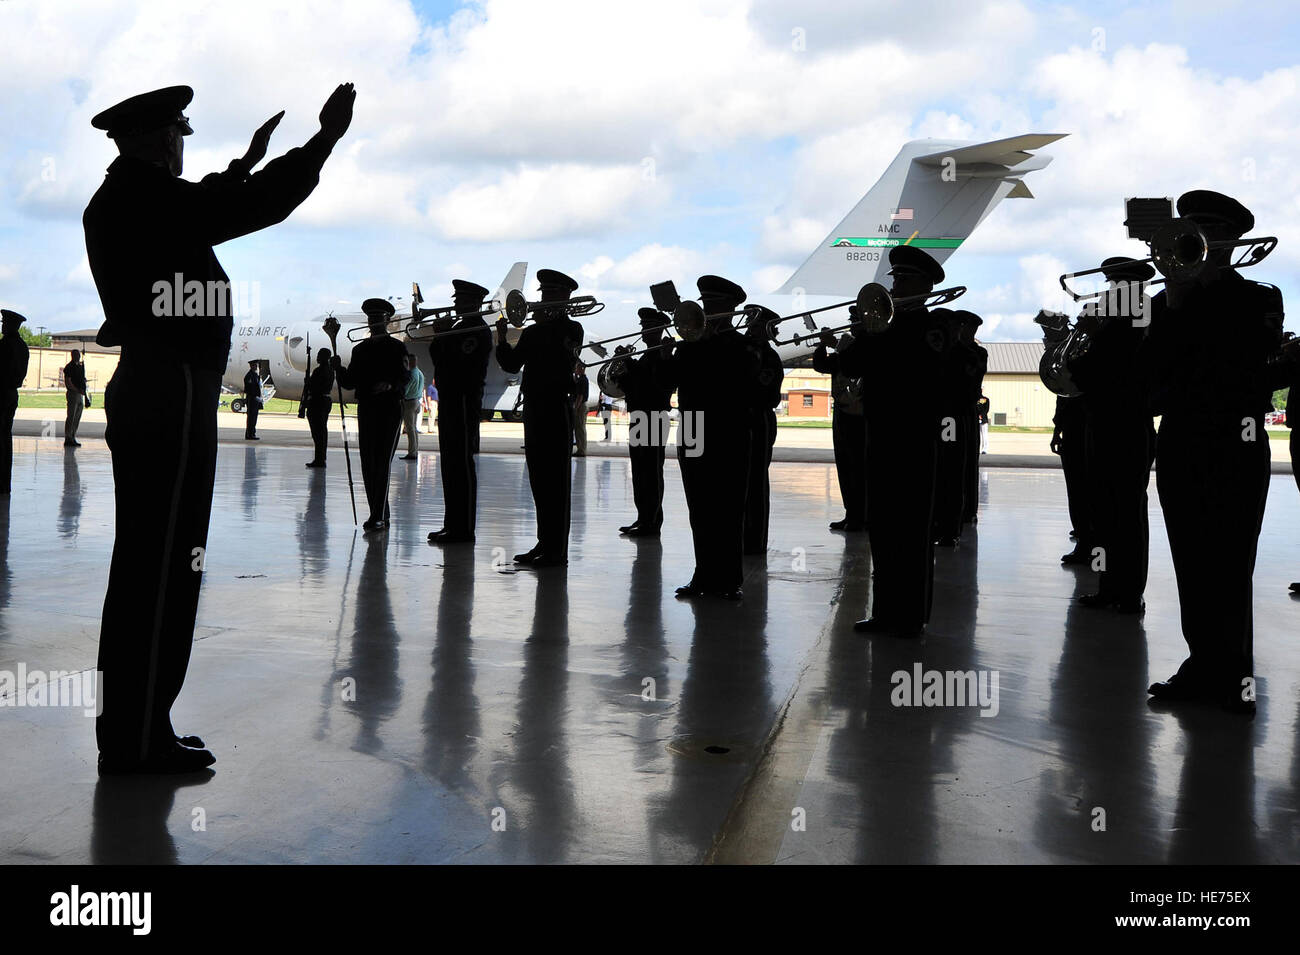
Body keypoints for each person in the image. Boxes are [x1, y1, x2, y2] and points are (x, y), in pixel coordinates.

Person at [84, 81, 355, 773]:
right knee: (165, 564)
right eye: (180, 132)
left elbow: (204, 206)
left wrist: (243, 161)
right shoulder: (145, 198)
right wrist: (323, 141)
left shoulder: (127, 197)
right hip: (172, 386)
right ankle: (139, 738)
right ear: (155, 137)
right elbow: (242, 207)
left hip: (160, 383)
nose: (183, 143)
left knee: (151, 561)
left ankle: (138, 725)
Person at [1141, 190, 1282, 715]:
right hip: (1180, 441)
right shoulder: (1164, 302)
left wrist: (1191, 299)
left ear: (1230, 240)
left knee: (1229, 564)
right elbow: (1151, 383)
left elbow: (1245, 368)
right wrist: (1175, 303)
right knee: (1191, 563)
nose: (1192, 238)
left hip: (1235, 442)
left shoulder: (1256, 298)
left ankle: (1233, 681)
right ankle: (1203, 666)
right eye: (1188, 228)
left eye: (1205, 229)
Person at [840, 245, 950, 637]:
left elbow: (925, 371)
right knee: (884, 528)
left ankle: (911, 615)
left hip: (913, 440)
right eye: (895, 278)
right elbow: (850, 363)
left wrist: (877, 334)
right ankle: (887, 611)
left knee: (912, 530)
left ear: (924, 284)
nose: (895, 284)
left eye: (903, 278)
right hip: (882, 436)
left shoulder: (933, 325)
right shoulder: (885, 328)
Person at [659, 275, 758, 599]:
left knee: (728, 509)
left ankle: (729, 581)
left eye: (714, 305)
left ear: (730, 308)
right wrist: (669, 353)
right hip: (692, 428)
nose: (708, 310)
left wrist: (705, 343)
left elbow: (743, 387)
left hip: (728, 432)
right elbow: (668, 382)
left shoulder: (740, 346)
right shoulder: (690, 346)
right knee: (699, 508)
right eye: (706, 305)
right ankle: (703, 576)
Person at [1068, 257, 1156, 613]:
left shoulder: (1130, 322)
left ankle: (1124, 590)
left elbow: (1091, 370)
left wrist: (1089, 334)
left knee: (1121, 512)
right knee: (1109, 512)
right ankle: (1113, 586)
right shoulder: (1124, 321)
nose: (1109, 291)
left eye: (1115, 285)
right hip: (1110, 423)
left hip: (1121, 424)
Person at [495, 269, 584, 565]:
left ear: (563, 298)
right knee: (539, 480)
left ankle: (556, 550)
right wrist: (502, 340)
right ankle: (544, 543)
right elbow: (510, 364)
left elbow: (555, 355)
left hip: (556, 407)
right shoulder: (537, 331)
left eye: (549, 295)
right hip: (535, 407)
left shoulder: (570, 330)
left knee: (555, 482)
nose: (542, 299)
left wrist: (509, 339)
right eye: (543, 294)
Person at [333, 299, 409, 531]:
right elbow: (349, 383)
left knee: (382, 462)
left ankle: (378, 514)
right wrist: (338, 368)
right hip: (367, 408)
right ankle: (379, 512)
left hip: (389, 409)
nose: (374, 322)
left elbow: (405, 377)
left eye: (379, 318)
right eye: (372, 319)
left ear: (387, 321)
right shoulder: (360, 350)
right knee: (368, 463)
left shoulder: (397, 348)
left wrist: (389, 385)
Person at [427, 279, 493, 544]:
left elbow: (454, 363)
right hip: (453, 401)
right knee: (450, 465)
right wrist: (440, 336)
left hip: (465, 401)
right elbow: (440, 359)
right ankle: (452, 525)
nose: (455, 305)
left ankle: (463, 528)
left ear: (474, 303)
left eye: (460, 301)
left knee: (461, 466)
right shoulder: (460, 328)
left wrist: (442, 335)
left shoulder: (476, 329)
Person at [609, 308, 674, 537]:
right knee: (639, 471)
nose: (643, 332)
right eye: (643, 328)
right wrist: (622, 368)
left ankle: (652, 521)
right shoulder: (647, 356)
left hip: (653, 418)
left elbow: (658, 386)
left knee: (651, 471)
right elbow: (632, 387)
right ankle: (644, 517)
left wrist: (630, 364)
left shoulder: (661, 357)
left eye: (647, 328)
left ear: (658, 330)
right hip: (639, 418)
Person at [814, 331, 866, 531]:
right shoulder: (842, 354)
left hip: (862, 415)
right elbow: (821, 366)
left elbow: (859, 361)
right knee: (845, 467)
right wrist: (821, 346)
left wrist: (835, 343)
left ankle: (862, 516)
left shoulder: (866, 347)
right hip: (844, 412)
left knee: (860, 468)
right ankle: (851, 513)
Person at [742, 305, 783, 555]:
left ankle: (755, 541)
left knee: (756, 482)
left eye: (755, 325)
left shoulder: (768, 357)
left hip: (758, 419)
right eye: (750, 324)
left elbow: (761, 391)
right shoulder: (743, 351)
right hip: (742, 418)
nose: (749, 329)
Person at [0, 310, 30, 494]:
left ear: (11, 325)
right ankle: (5, 483)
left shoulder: (4, 346)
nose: (2, 325)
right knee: (5, 436)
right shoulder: (22, 346)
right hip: (12, 394)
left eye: (4, 322)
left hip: (1, 393)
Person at [304, 347, 333, 468]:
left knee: (317, 433)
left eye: (319, 355)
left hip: (317, 401)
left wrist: (307, 381)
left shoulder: (319, 371)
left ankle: (319, 459)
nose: (317, 357)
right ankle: (321, 457)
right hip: (325, 400)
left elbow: (312, 387)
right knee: (322, 431)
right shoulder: (330, 370)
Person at [399, 353, 424, 460]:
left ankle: (412, 453)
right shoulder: (419, 373)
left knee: (410, 429)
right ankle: (415, 451)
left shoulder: (411, 374)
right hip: (416, 401)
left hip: (409, 402)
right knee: (413, 428)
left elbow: (405, 390)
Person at [63, 349, 90, 448]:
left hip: (79, 394)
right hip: (73, 394)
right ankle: (68, 437)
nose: (78, 357)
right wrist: (77, 390)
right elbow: (68, 382)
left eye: (79, 355)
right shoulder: (69, 367)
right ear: (72, 355)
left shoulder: (79, 366)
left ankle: (73, 436)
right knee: (71, 416)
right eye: (76, 355)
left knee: (77, 417)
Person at [572, 361, 590, 457]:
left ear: (581, 369)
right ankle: (580, 449)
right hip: (582, 405)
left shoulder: (582, 380)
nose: (576, 370)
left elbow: (580, 396)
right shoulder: (582, 379)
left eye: (577, 368)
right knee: (579, 428)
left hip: (581, 405)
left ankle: (581, 450)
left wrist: (576, 407)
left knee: (580, 428)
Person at [243, 360, 263, 439]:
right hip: (251, 399)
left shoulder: (255, 375)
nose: (255, 367)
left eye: (256, 366)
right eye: (254, 366)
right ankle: (249, 434)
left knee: (254, 417)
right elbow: (249, 388)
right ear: (251, 366)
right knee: (251, 417)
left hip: (255, 400)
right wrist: (255, 396)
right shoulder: (249, 376)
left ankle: (252, 433)